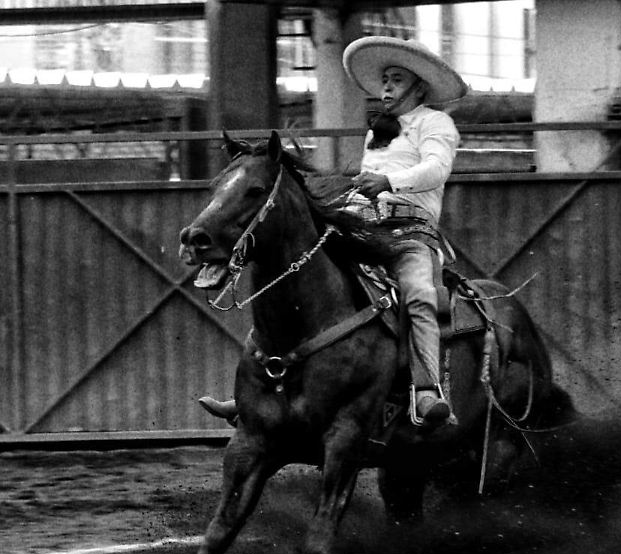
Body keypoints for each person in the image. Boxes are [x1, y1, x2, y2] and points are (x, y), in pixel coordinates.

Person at [199, 35, 467, 428]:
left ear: (419, 88)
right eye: (385, 80)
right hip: (362, 226)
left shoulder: (436, 123)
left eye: (396, 80)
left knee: (418, 294)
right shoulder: (376, 132)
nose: (386, 88)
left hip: (410, 232)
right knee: (297, 280)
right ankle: (251, 396)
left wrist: (388, 181)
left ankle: (427, 390)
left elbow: (437, 170)